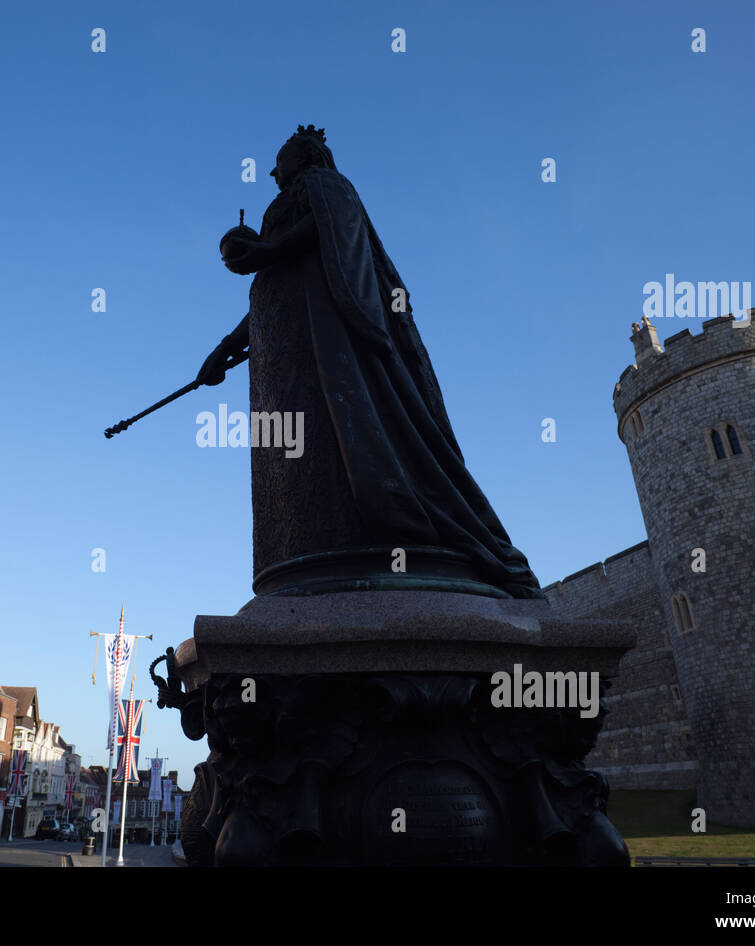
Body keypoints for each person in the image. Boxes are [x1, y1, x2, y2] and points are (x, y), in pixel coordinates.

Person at [200, 125, 544, 599]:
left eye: (281, 160)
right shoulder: (292, 213)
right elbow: (274, 294)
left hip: (334, 343)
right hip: (292, 359)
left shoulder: (324, 186)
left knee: (357, 434)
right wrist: (226, 348)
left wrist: (266, 250)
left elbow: (330, 235)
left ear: (306, 158)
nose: (274, 171)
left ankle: (392, 526)